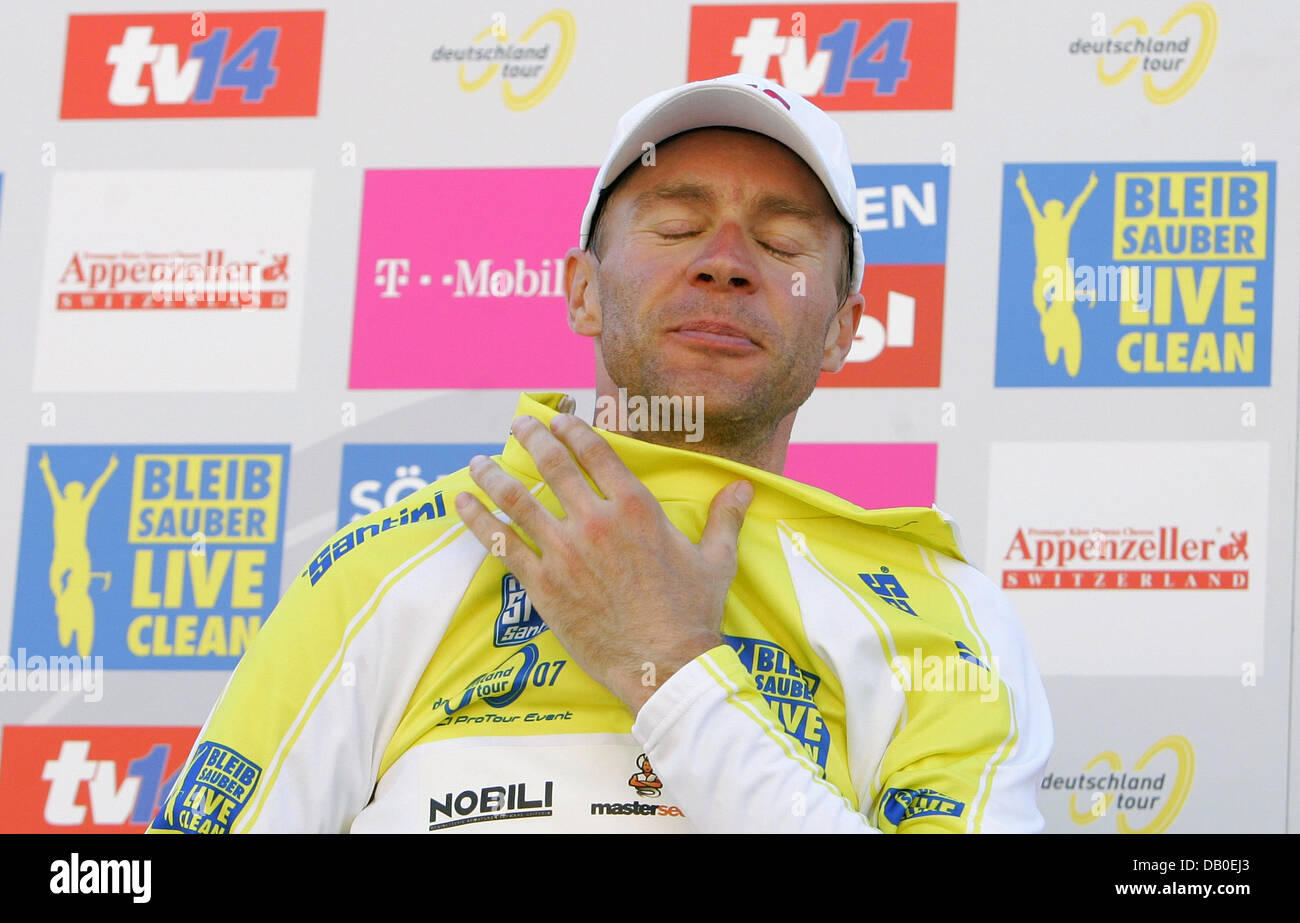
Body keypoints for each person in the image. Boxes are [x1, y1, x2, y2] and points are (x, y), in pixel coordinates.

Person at [149, 73, 1051, 834]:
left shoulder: (945, 618)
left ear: (844, 331)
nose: (727, 262)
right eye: (674, 226)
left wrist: (672, 662)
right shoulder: (392, 561)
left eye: (781, 242)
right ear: (582, 290)